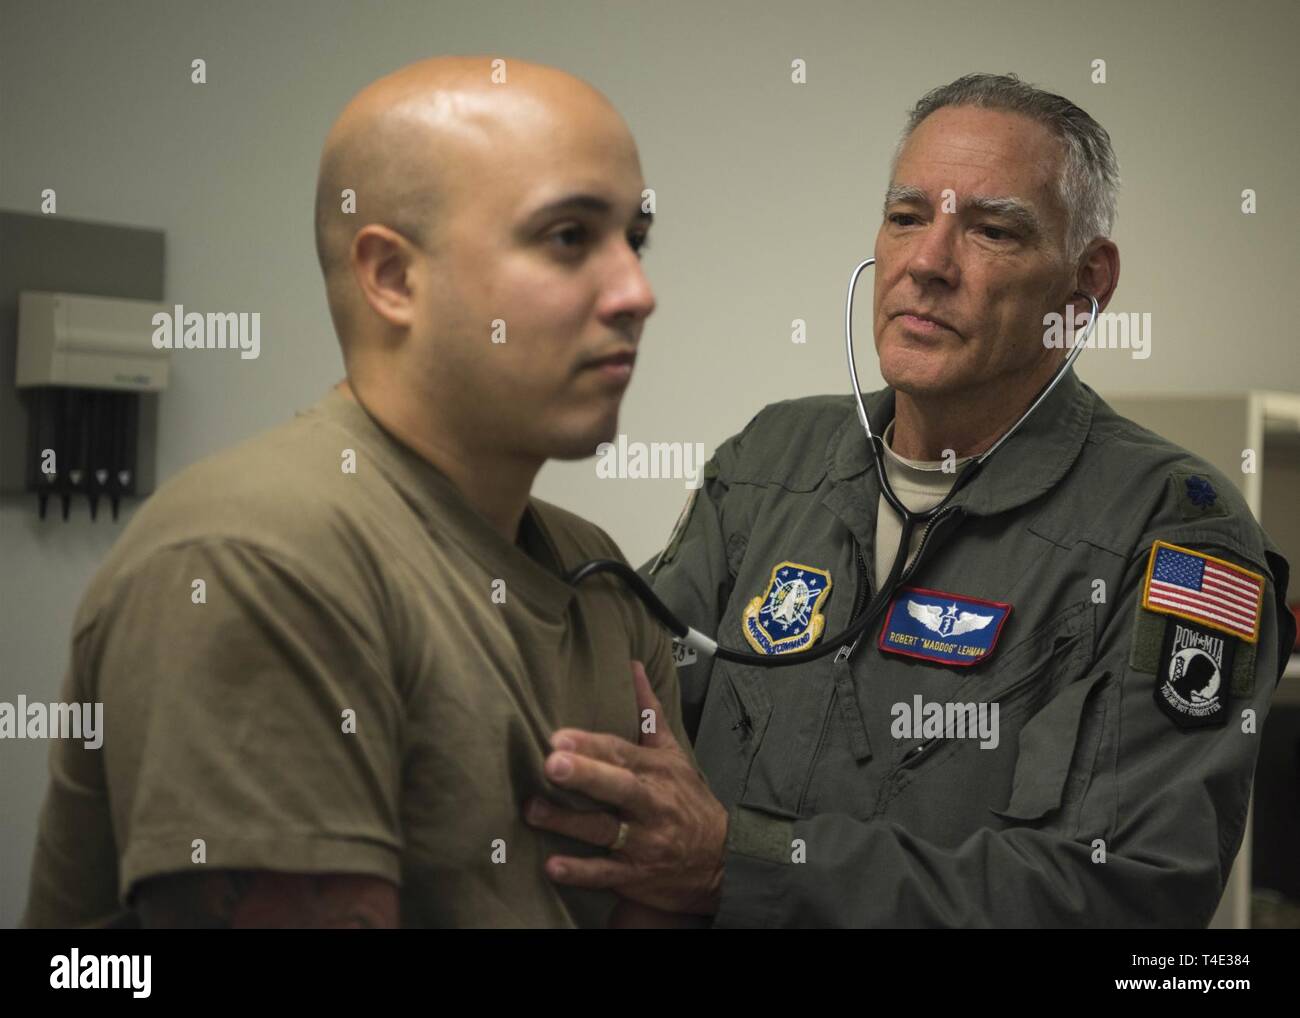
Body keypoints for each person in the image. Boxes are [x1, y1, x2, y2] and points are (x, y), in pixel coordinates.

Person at [525, 73, 1296, 927]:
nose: (929, 263)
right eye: (905, 217)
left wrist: (737, 866)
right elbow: (615, 704)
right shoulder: (773, 460)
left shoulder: (1180, 534)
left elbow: (1132, 893)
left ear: (1085, 289)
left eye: (993, 230)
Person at [22, 55, 690, 928]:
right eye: (569, 237)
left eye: (633, 241)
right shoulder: (260, 557)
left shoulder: (598, 581)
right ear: (392, 278)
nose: (637, 292)